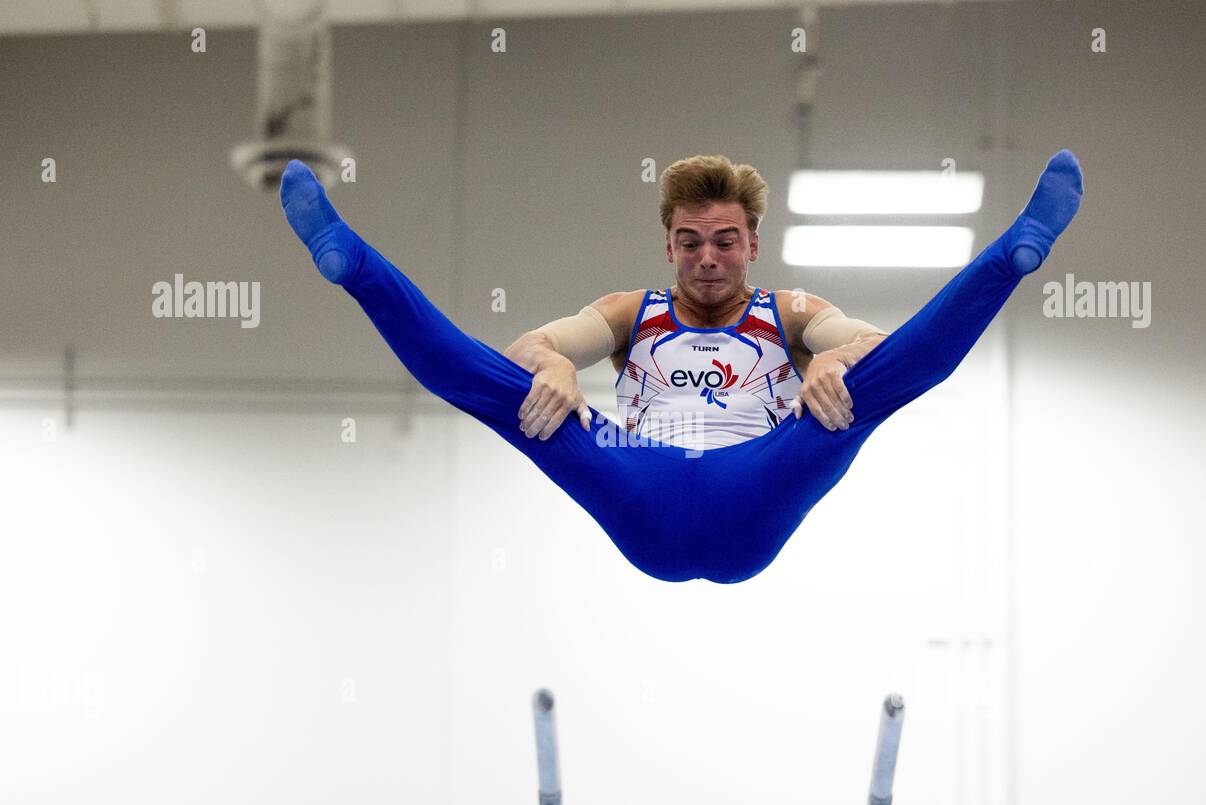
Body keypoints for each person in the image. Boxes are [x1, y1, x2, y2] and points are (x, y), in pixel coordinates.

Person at [279, 150, 1083, 583]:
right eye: (690, 242)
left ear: (751, 246)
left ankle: (1012, 258)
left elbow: (868, 340)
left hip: (756, 484)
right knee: (508, 391)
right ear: (669, 244)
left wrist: (833, 356)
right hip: (643, 486)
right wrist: (554, 367)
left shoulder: (787, 313)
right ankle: (355, 266)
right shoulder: (633, 313)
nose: (707, 260)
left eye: (724, 241)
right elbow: (536, 347)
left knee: (863, 392)